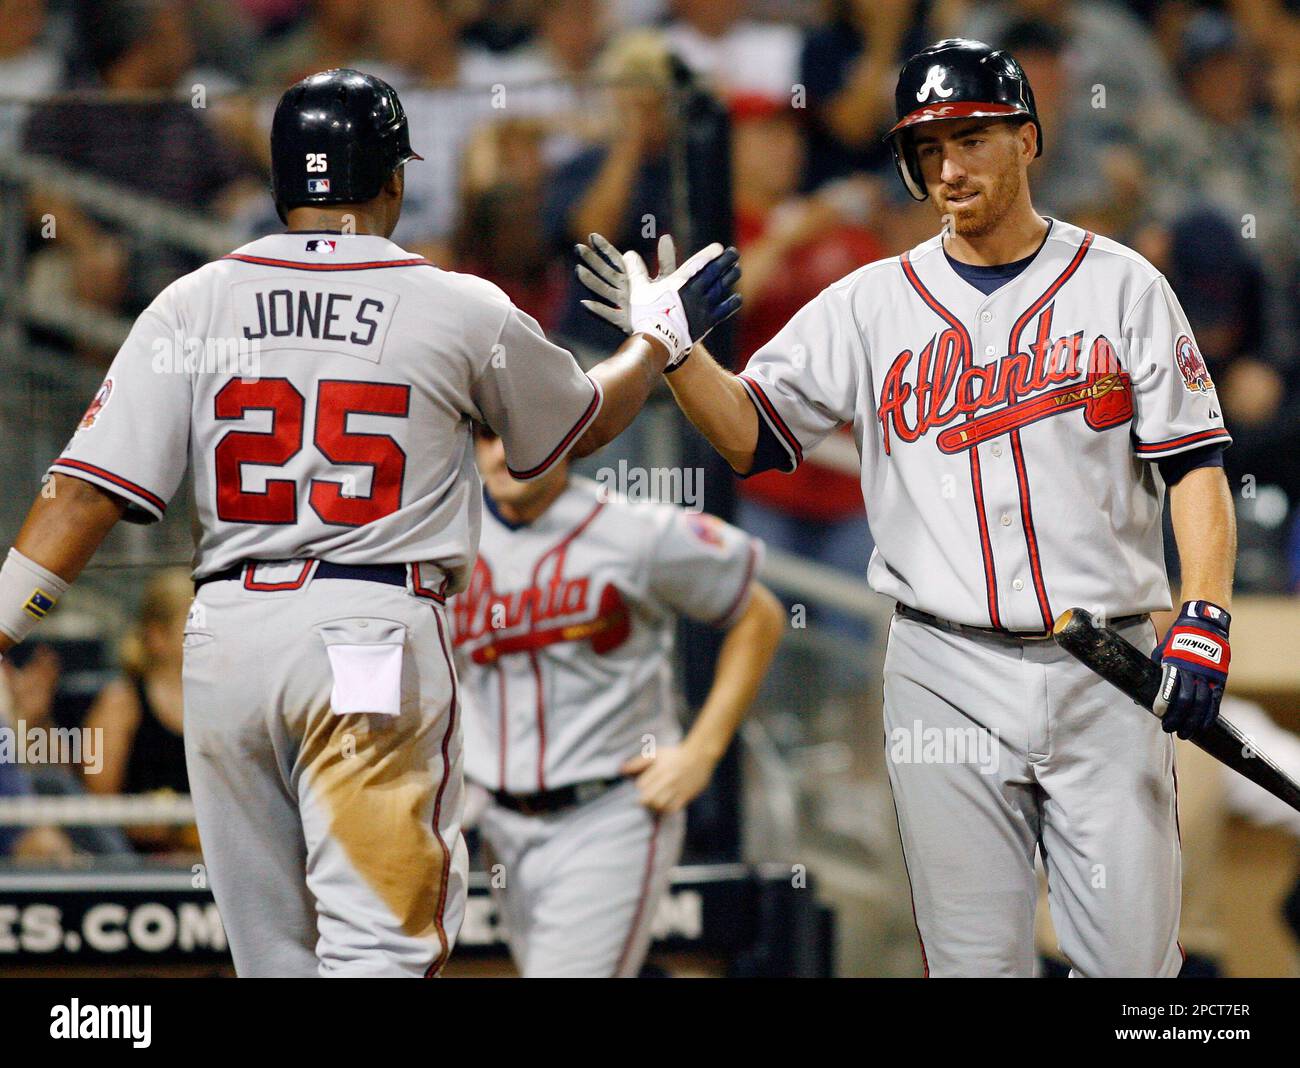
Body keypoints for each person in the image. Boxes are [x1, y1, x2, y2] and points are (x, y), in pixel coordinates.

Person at [0, 68, 738, 977]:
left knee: (273, 957)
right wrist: (657, 345)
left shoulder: (192, 301)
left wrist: (2, 627)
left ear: (281, 187)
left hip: (226, 641)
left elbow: (82, 495)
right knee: (382, 954)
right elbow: (580, 424)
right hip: (369, 632)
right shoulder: (456, 303)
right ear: (392, 180)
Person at [578, 39, 1237, 977]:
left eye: (969, 139)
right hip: (945, 668)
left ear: (1026, 139)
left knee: (1134, 971)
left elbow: (1198, 469)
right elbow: (751, 435)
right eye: (928, 149)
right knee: (973, 965)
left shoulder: (1123, 285)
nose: (948, 168)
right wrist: (681, 356)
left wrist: (1206, 610)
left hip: (1109, 661)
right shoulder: (871, 303)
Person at [452, 425, 782, 976]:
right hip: (499, 825)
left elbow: (760, 613)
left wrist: (701, 753)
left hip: (610, 814)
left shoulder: (636, 531)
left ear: (568, 437)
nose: (503, 451)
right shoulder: (449, 534)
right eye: (487, 435)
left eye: (525, 434)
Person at [83, 567, 195, 853]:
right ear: (157, 635)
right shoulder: (121, 701)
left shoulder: (226, 702)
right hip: (138, 864)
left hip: (214, 861)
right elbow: (97, 805)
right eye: (195, 621)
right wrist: (176, 829)